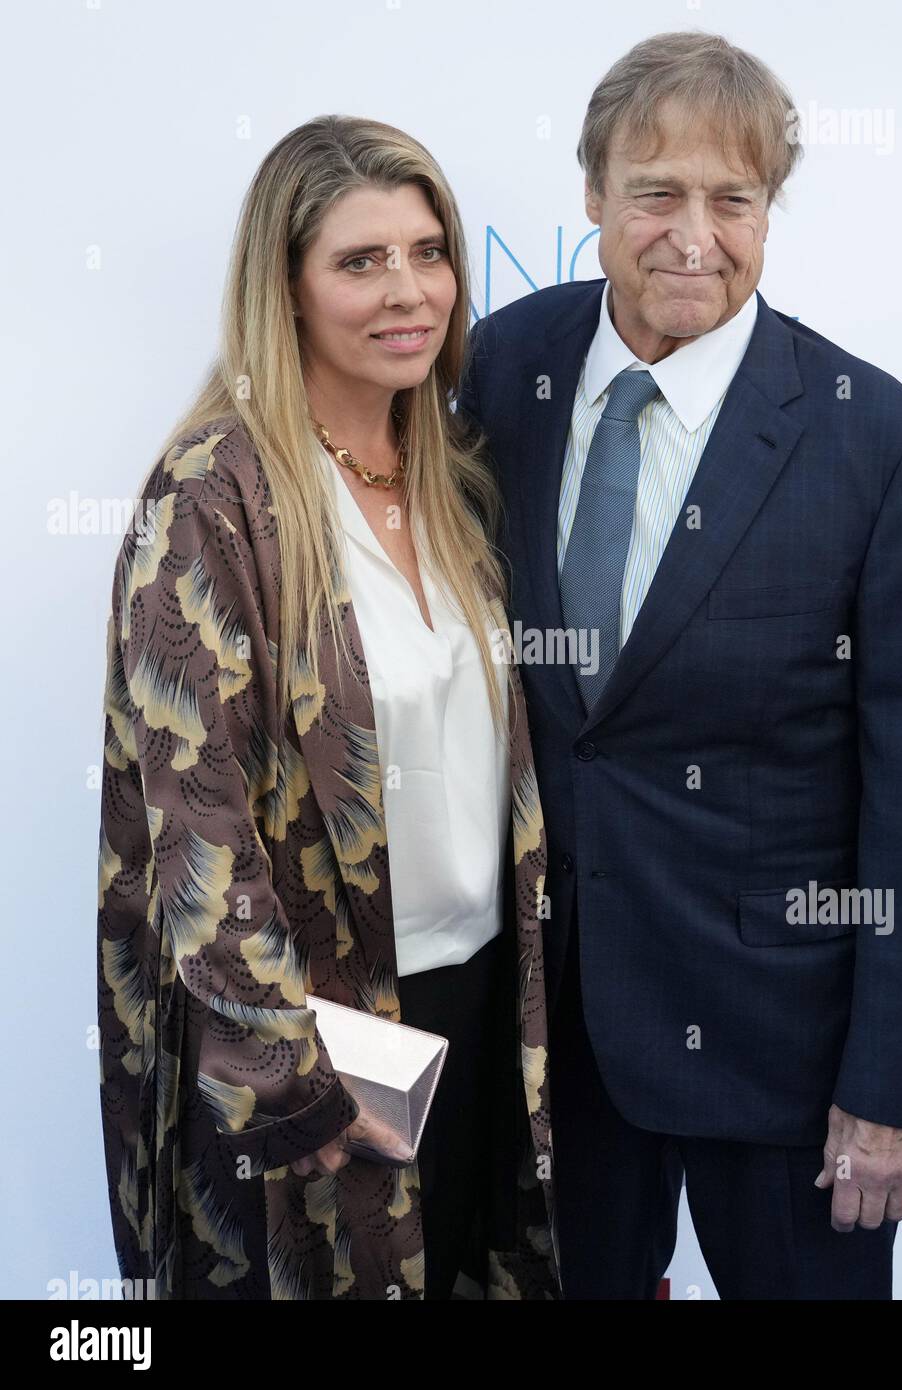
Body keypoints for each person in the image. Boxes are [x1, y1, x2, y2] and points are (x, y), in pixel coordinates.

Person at [457, 31, 902, 1299]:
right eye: (654, 193)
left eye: (730, 199)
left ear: (767, 213)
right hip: (548, 1050)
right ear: (592, 197)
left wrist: (893, 1090)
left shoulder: (883, 447)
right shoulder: (493, 372)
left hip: (790, 1073)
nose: (690, 234)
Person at [97, 115, 558, 1301]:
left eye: (427, 251)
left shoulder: (452, 475)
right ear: (287, 287)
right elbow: (197, 837)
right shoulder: (211, 497)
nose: (410, 291)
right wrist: (299, 1077)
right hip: (321, 1038)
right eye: (360, 261)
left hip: (479, 1011)